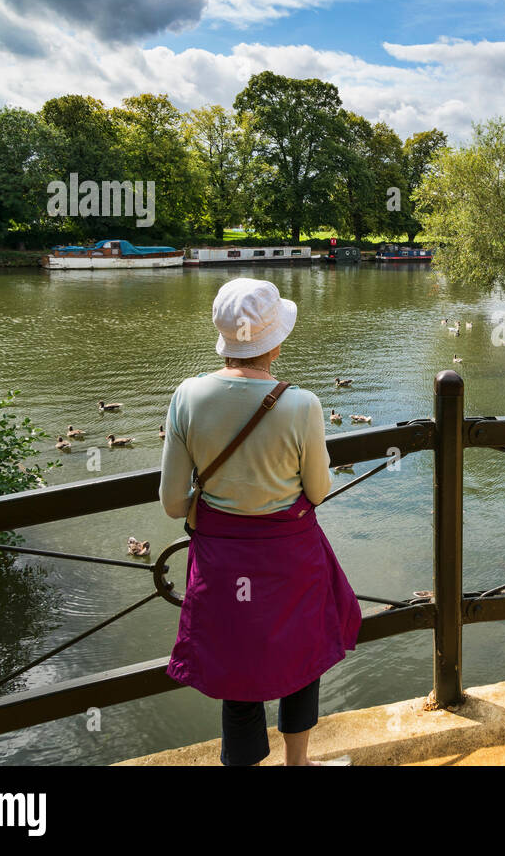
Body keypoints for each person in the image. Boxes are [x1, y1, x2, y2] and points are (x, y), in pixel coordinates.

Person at [159, 277, 360, 766]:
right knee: (301, 657)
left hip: (223, 559)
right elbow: (318, 491)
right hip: (290, 556)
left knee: (237, 669)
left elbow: (171, 501)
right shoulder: (302, 403)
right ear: (276, 340)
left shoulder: (187, 395)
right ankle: (298, 763)